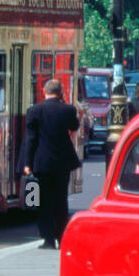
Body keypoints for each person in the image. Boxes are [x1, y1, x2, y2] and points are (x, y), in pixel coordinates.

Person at [20, 78, 81, 249]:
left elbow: (30, 139)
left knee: (43, 201)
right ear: (61, 92)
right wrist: (66, 104)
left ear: (43, 91)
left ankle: (47, 239)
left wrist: (27, 163)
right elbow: (75, 127)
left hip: (41, 163)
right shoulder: (68, 109)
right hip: (62, 162)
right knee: (61, 200)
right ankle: (61, 237)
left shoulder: (34, 110)